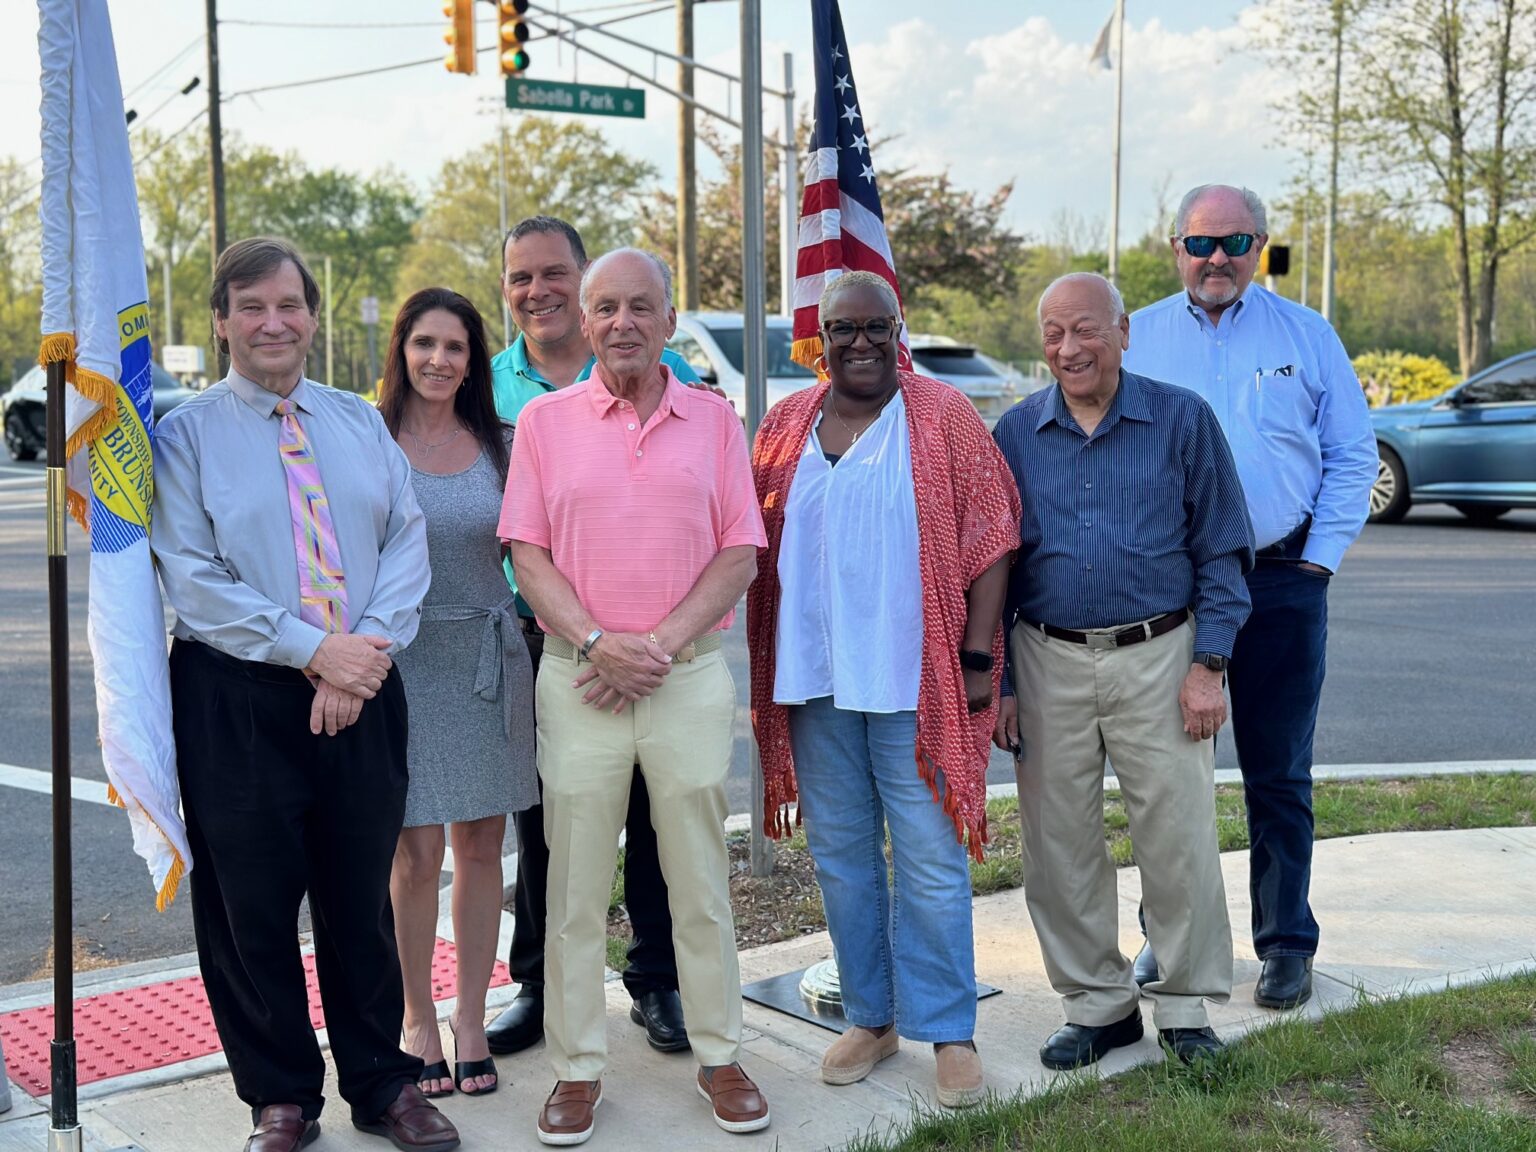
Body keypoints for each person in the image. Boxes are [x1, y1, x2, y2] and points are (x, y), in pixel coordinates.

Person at [151, 238, 459, 1152]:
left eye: (288, 304)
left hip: (362, 688)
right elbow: (191, 576)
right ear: (221, 322)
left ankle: (382, 1084)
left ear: (313, 315)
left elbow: (408, 540)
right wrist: (312, 652)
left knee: (360, 895)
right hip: (237, 699)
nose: (272, 322)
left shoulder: (359, 423)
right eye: (251, 307)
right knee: (248, 907)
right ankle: (279, 1095)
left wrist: (356, 658)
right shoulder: (186, 435)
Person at [500, 248, 770, 1145]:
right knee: (572, 888)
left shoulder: (714, 421)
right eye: (605, 306)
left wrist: (651, 646)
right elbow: (525, 554)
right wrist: (595, 642)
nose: (622, 321)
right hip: (577, 679)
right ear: (585, 320)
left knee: (699, 880)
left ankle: (720, 1053)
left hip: (684, 679)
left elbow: (739, 550)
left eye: (640, 306)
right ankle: (576, 1070)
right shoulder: (543, 423)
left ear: (668, 317)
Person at [746, 272, 1020, 1107]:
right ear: (816, 338)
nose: (859, 342)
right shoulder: (787, 423)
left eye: (876, 327)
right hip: (816, 681)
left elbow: (994, 532)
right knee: (842, 857)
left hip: (916, 679)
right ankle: (870, 1015)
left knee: (932, 860)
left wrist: (978, 658)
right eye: (842, 329)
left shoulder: (939, 417)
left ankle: (950, 1030)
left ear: (897, 328)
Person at [992, 272, 1255, 1070]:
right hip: (1046, 657)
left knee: (1176, 837)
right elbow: (992, 567)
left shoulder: (1182, 420)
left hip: (1160, 656)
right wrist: (1001, 681)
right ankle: (1098, 1007)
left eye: (1086, 330)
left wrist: (1209, 666)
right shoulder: (1014, 432)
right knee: (1058, 844)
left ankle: (1181, 1008)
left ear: (1124, 330)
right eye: (1054, 334)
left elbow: (1223, 550)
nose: (1069, 349)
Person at [1124, 185, 1377, 1010]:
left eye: (1235, 241)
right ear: (1176, 249)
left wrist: (1319, 563)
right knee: (1165, 776)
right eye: (1200, 244)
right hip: (1172, 583)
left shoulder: (1307, 336)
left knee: (1277, 772)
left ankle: (1285, 946)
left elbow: (1351, 455)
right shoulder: (1142, 338)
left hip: (1281, 579)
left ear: (1260, 245)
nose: (1216, 259)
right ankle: (1169, 938)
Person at [485, 216, 702, 1059]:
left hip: (654, 641)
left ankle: (658, 980)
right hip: (538, 630)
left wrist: (638, 641)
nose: (536, 291)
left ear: (582, 287)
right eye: (519, 279)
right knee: (545, 819)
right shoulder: (487, 384)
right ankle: (540, 985)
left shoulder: (661, 368)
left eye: (552, 275)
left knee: (655, 814)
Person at [377, 287, 538, 1099]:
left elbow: (549, 542)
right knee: (416, 852)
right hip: (400, 662)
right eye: (425, 343)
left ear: (475, 362)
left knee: (482, 847)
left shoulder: (504, 443)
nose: (439, 360)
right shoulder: (366, 440)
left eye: (456, 348)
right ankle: (416, 1016)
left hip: (486, 655)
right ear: (402, 349)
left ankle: (470, 1017)